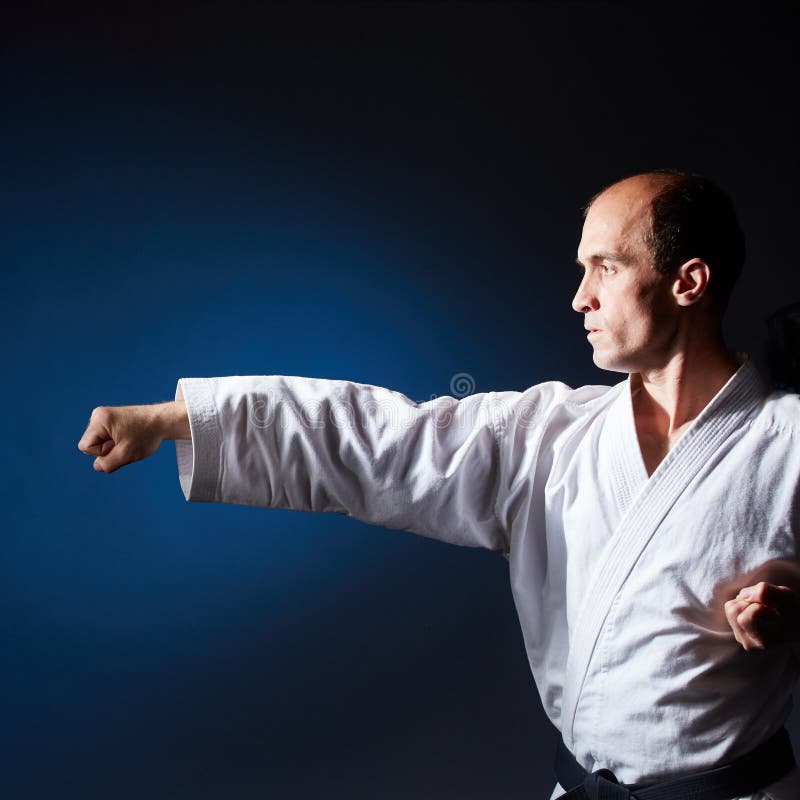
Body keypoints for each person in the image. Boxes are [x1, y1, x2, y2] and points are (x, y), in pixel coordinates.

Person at [78, 170, 800, 799]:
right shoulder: (553, 435)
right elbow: (379, 439)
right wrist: (177, 419)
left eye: (605, 268)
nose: (580, 297)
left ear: (688, 282)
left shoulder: (788, 440)